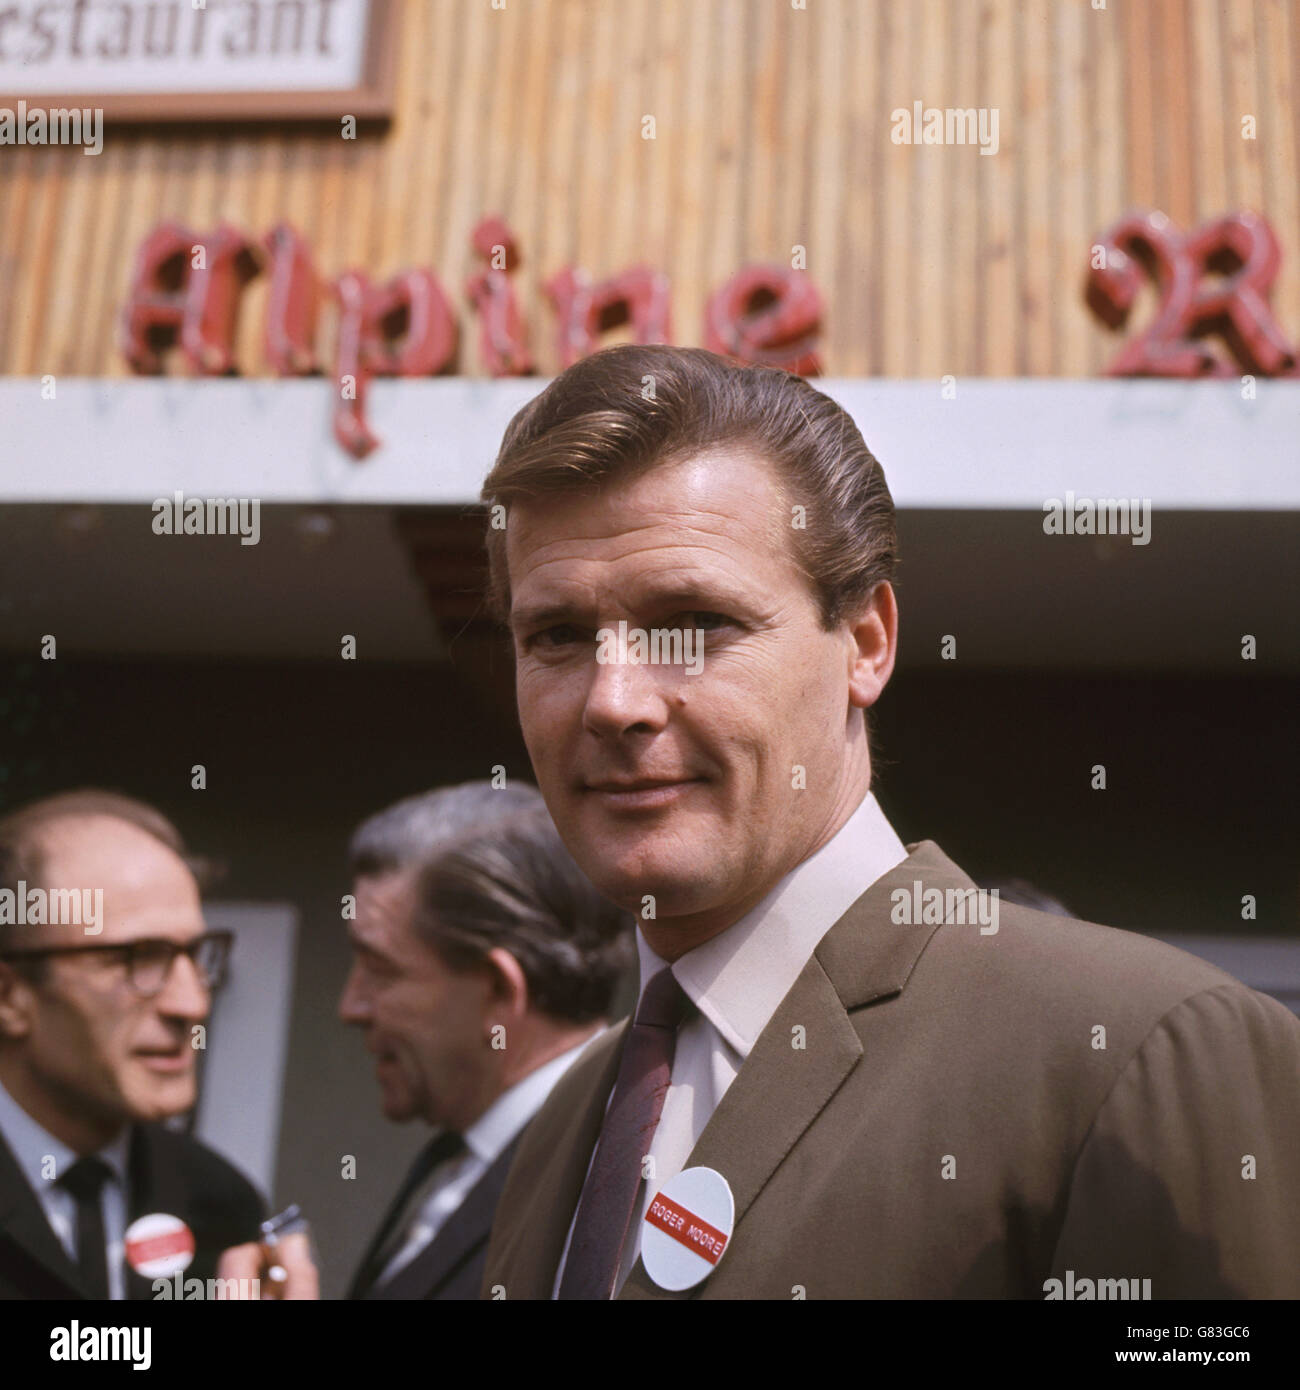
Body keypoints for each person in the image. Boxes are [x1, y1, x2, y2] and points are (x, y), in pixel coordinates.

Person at [477, 344, 1300, 1300]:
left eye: (694, 623)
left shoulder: (1138, 1051)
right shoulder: (571, 1119)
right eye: (558, 637)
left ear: (866, 645)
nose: (614, 701)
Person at [336, 783, 635, 1299]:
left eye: (380, 970)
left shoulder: (601, 1199)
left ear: (499, 990)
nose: (351, 1007)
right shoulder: (472, 1155)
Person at [0, 790, 270, 1299]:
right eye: (137, 958)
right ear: (10, 996)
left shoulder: (221, 1205)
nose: (191, 1004)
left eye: (195, 955)